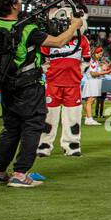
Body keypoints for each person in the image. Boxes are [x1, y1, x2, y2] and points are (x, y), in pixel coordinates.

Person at [0, 0, 85, 186]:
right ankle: (21, 173)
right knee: (32, 125)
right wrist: (75, 26)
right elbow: (58, 42)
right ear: (13, 4)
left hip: (5, 83)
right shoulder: (26, 29)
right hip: (28, 83)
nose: (22, 2)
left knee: (11, 127)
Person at [36, 20, 90, 158]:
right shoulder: (51, 39)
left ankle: (72, 146)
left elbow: (86, 60)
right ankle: (44, 146)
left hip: (73, 85)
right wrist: (49, 74)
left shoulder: (82, 40)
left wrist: (77, 75)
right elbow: (42, 60)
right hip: (53, 84)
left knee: (73, 118)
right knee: (49, 117)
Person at [81, 45, 111, 125]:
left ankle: (87, 118)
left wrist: (102, 73)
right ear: (95, 53)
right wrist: (104, 72)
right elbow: (93, 74)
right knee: (90, 101)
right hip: (92, 82)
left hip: (94, 82)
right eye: (99, 54)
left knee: (91, 101)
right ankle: (90, 119)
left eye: (101, 54)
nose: (100, 56)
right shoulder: (93, 61)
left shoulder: (96, 61)